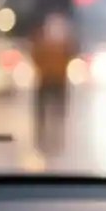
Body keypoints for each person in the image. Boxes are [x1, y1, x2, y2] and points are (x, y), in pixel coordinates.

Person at [29, 12, 76, 155]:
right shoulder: (43, 41)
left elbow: (71, 54)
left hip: (58, 81)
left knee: (57, 111)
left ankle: (55, 137)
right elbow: (35, 55)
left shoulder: (64, 43)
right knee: (42, 112)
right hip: (45, 80)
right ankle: (42, 138)